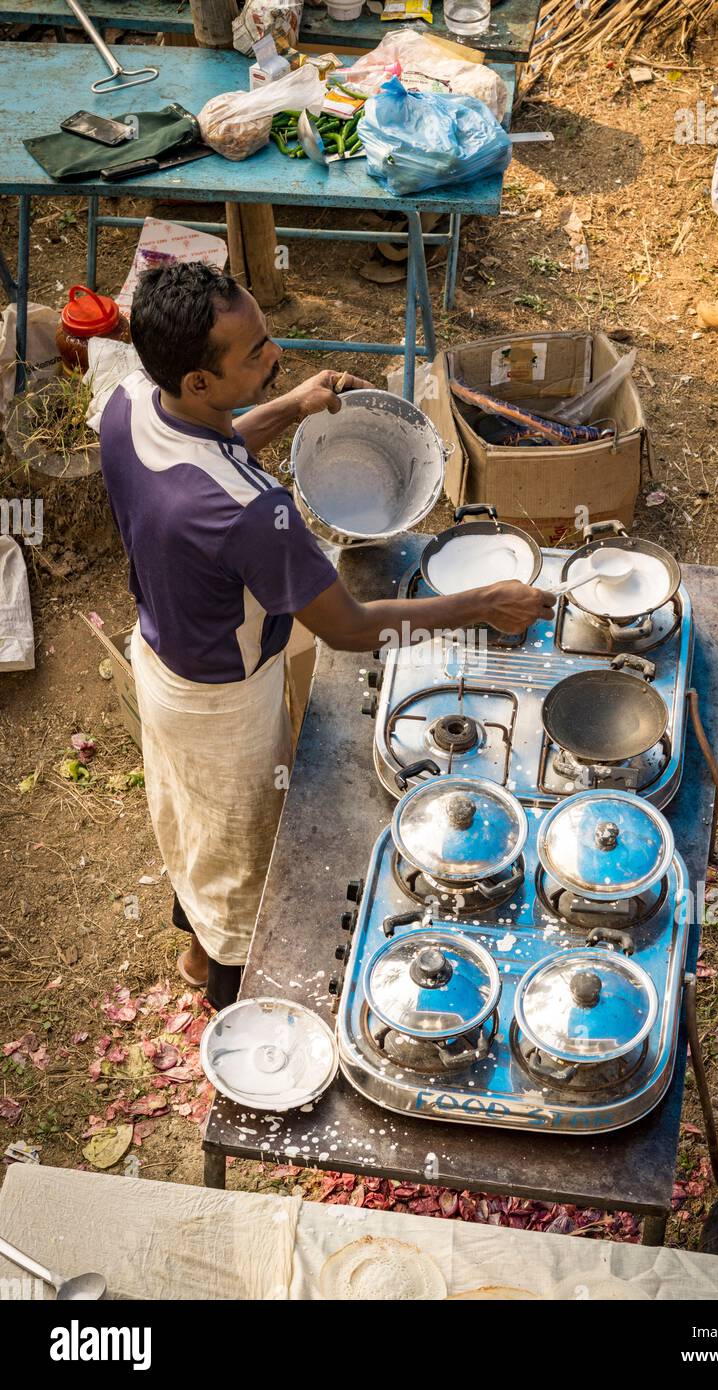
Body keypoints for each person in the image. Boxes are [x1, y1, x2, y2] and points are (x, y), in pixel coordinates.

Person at [99, 261, 554, 1010]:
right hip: (224, 706)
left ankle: (190, 954)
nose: (274, 354)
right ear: (199, 382)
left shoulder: (131, 405)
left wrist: (290, 406)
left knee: (195, 830)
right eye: (255, 355)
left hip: (162, 656)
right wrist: (482, 603)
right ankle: (232, 1004)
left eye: (266, 337)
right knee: (243, 864)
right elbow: (347, 628)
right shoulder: (252, 513)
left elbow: (211, 446)